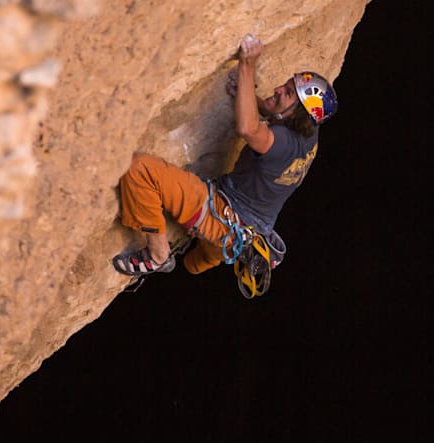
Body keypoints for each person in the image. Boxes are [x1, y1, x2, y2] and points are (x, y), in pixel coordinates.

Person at [113, 33, 338, 294]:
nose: (278, 89)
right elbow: (276, 114)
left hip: (222, 216)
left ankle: (157, 256)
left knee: (139, 169)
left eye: (287, 93)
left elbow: (248, 128)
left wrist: (247, 66)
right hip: (242, 237)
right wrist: (248, 96)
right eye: (286, 85)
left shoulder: (283, 144)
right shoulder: (309, 133)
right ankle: (200, 252)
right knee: (193, 265)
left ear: (298, 114)